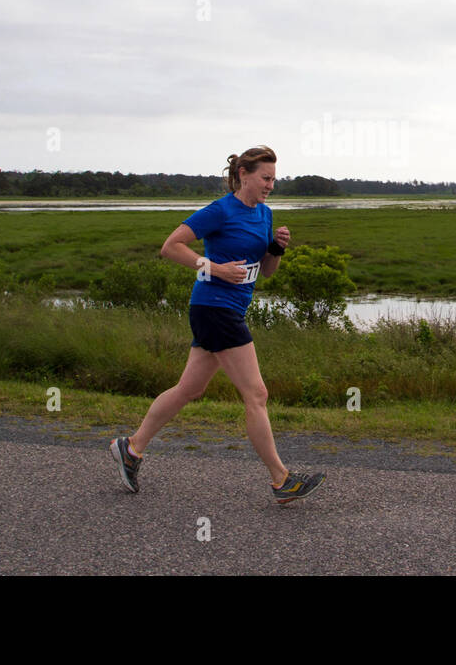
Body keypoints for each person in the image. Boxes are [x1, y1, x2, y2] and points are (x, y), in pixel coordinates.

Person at [110, 145, 326, 504]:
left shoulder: (265, 214)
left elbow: (266, 273)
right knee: (256, 394)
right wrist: (214, 268)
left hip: (230, 309)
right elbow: (170, 247)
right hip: (214, 308)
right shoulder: (220, 210)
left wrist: (275, 249)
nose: (271, 185)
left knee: (188, 390)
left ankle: (131, 448)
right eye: (265, 178)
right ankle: (281, 479)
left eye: (274, 179)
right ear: (243, 174)